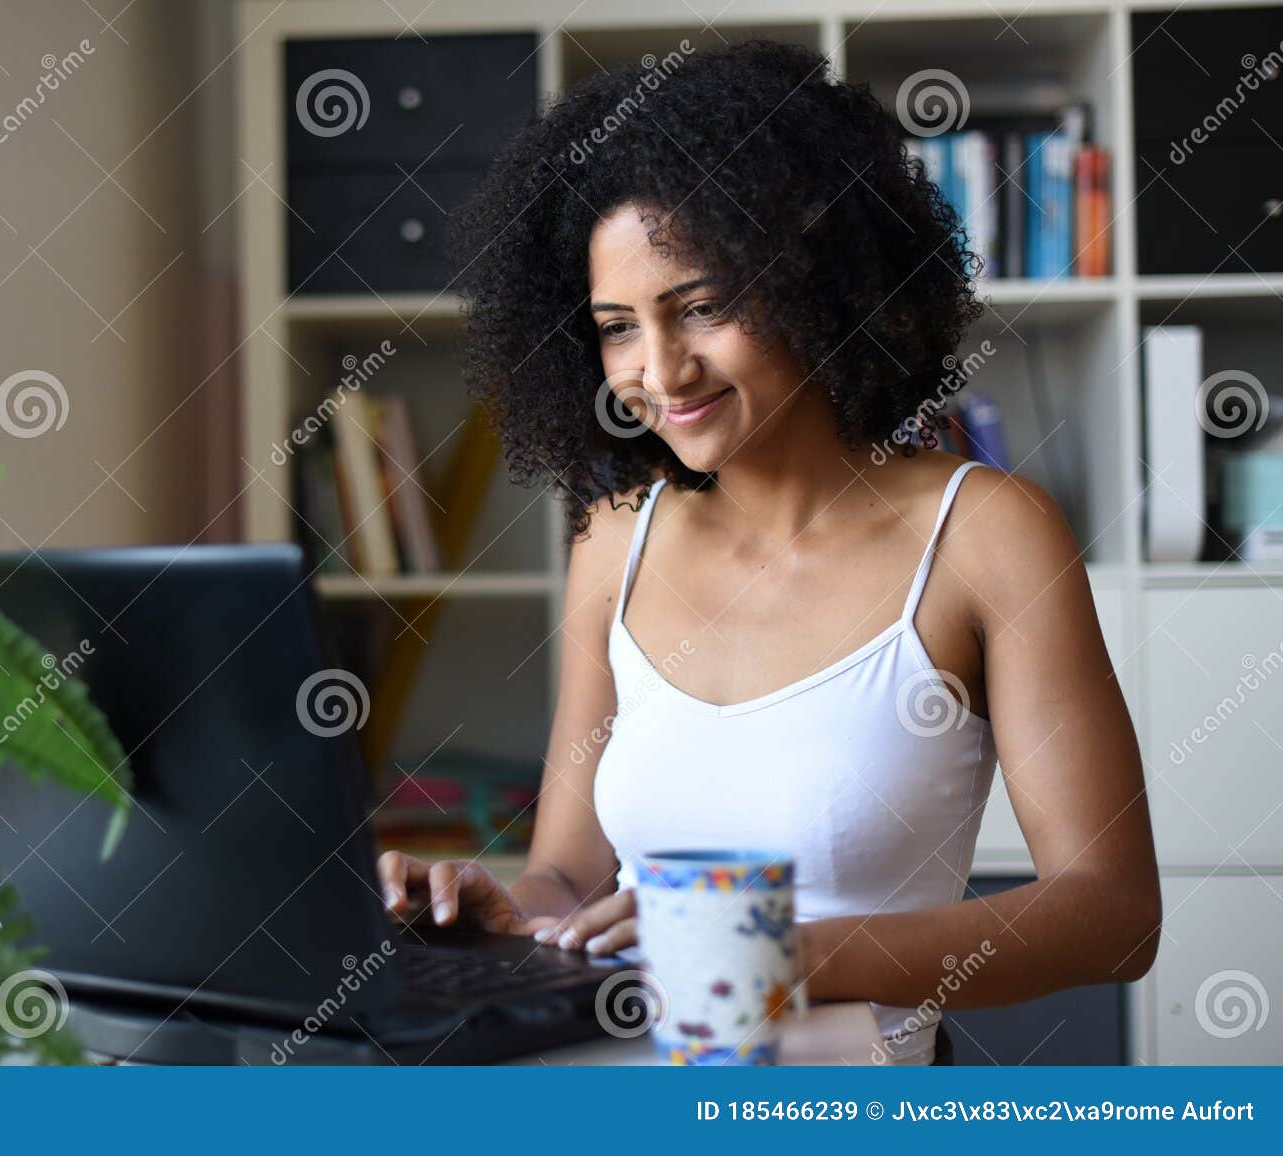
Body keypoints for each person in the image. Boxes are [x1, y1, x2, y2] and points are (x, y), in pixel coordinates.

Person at [376, 38, 1159, 1064]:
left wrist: (787, 952)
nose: (658, 370)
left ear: (811, 280)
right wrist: (504, 917)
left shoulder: (986, 534)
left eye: (701, 305)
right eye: (617, 327)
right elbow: (567, 875)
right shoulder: (614, 537)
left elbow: (1112, 915)